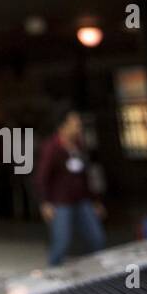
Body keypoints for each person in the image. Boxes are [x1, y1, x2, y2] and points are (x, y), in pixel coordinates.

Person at [34, 107, 106, 267]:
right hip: (60, 202)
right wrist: (45, 202)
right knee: (61, 243)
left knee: (96, 238)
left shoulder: (79, 145)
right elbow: (42, 177)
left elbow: (86, 175)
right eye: (75, 123)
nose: (78, 126)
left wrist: (95, 200)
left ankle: (95, 271)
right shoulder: (52, 147)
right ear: (63, 126)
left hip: (82, 199)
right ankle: (52, 276)